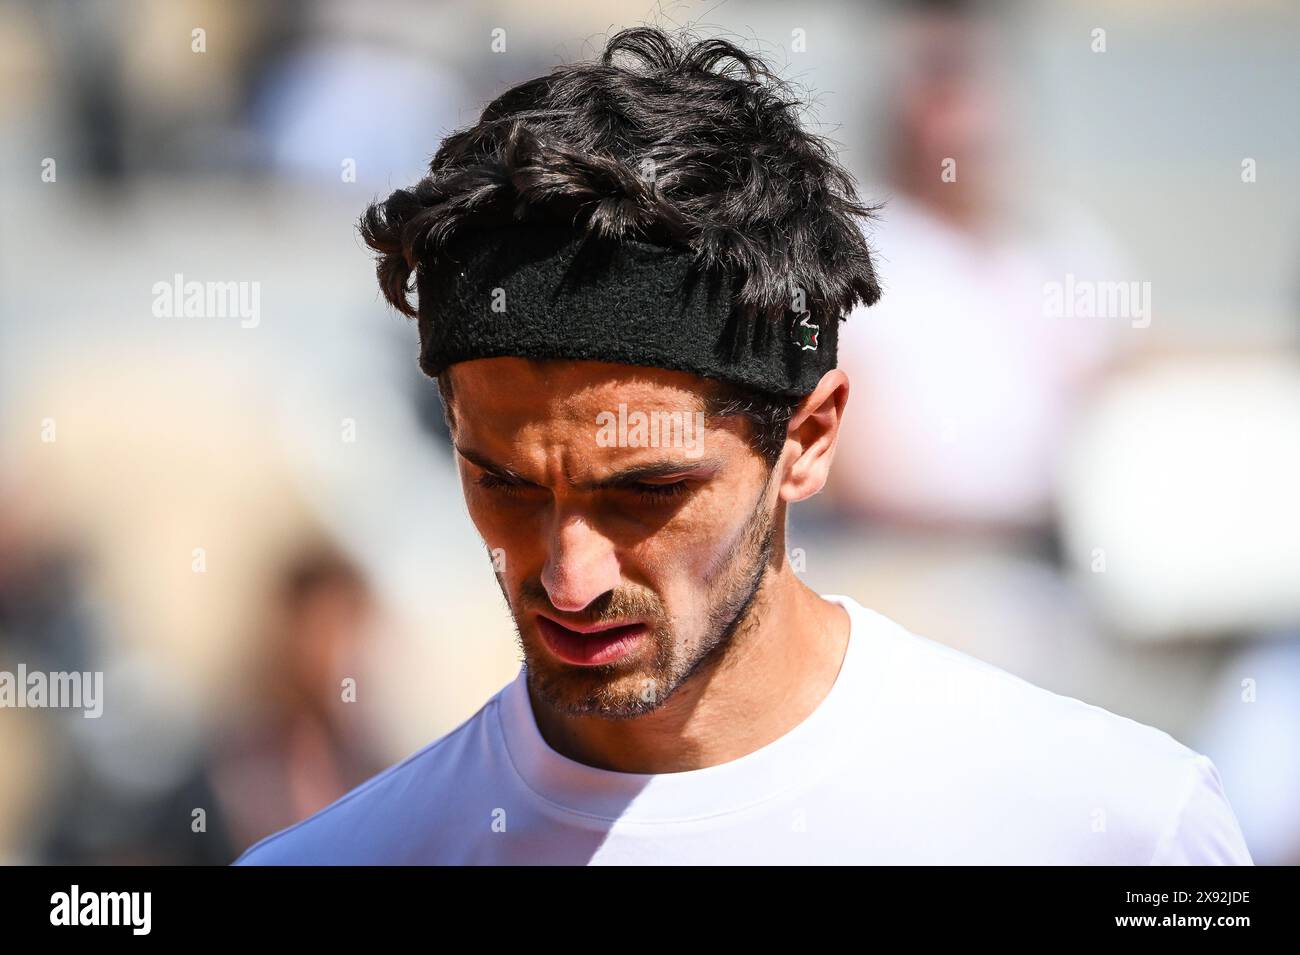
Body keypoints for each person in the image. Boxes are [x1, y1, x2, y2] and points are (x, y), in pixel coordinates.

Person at [233, 26, 1251, 865]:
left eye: (645, 489)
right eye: (502, 481)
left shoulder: (1118, 829)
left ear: (805, 440)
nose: (569, 575)